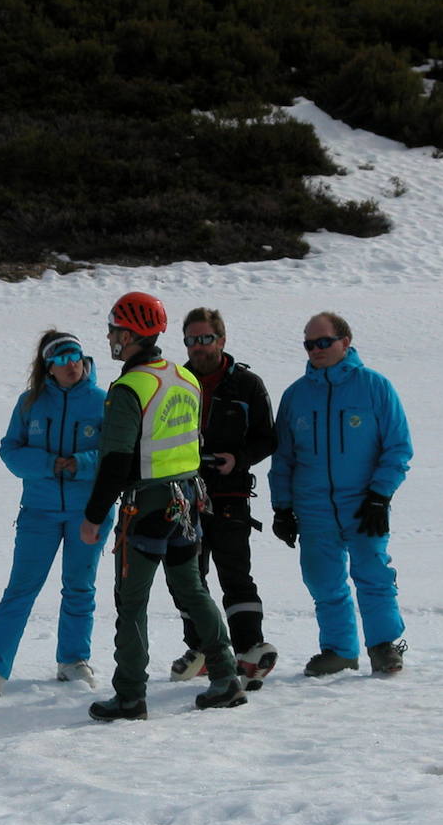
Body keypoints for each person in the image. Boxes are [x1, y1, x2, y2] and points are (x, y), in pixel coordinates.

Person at [79, 291, 244, 721]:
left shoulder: (130, 387)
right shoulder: (183, 377)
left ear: (132, 335)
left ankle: (131, 695)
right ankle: (226, 676)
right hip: (186, 502)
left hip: (146, 506)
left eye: (116, 329)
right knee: (191, 588)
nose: (111, 336)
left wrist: (94, 516)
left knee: (131, 601)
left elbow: (115, 460)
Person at [0, 332, 113, 696]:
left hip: (88, 512)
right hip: (38, 512)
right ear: (48, 367)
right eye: (60, 359)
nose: (70, 364)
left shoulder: (104, 402)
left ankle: (73, 660)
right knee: (21, 589)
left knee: (78, 587)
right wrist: (47, 463)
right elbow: (9, 450)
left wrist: (80, 463)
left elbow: (116, 454)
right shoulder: (30, 403)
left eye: (75, 356)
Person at [269, 311, 413, 676]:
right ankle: (339, 650)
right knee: (322, 578)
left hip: (363, 503)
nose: (315, 349)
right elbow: (283, 458)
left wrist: (380, 495)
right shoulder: (296, 396)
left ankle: (383, 646)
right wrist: (282, 508)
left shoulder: (375, 387)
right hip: (313, 506)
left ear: (345, 342)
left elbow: (398, 447)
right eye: (309, 344)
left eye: (323, 342)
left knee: (373, 573)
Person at [167, 307, 279, 690]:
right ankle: (200, 648)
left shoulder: (247, 384)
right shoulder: (175, 381)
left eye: (205, 338)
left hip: (230, 494)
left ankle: (250, 650)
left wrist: (240, 459)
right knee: (187, 576)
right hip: (184, 495)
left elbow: (268, 438)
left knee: (235, 573)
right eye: (191, 340)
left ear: (222, 339)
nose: (198, 346)